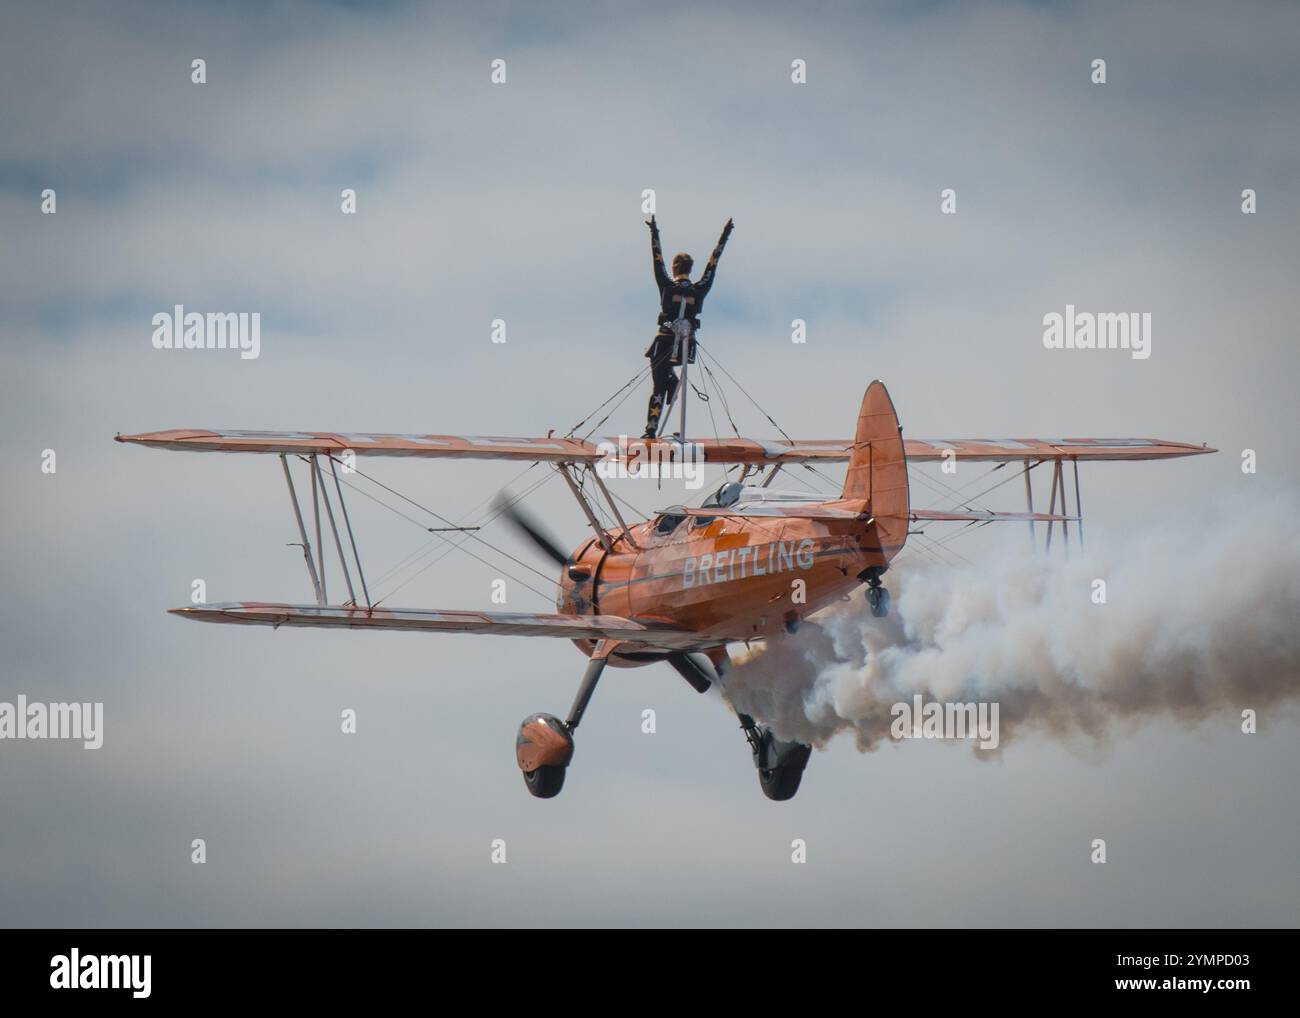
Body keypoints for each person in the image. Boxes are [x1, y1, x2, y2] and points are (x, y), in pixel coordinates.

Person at [643, 215, 733, 439]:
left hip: (663, 344)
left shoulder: (667, 286)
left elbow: (657, 261)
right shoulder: (699, 289)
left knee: (657, 387)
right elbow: (714, 262)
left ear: (675, 268)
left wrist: (654, 233)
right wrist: (725, 236)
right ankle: (672, 384)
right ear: (690, 269)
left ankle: (650, 429)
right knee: (667, 378)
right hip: (686, 348)